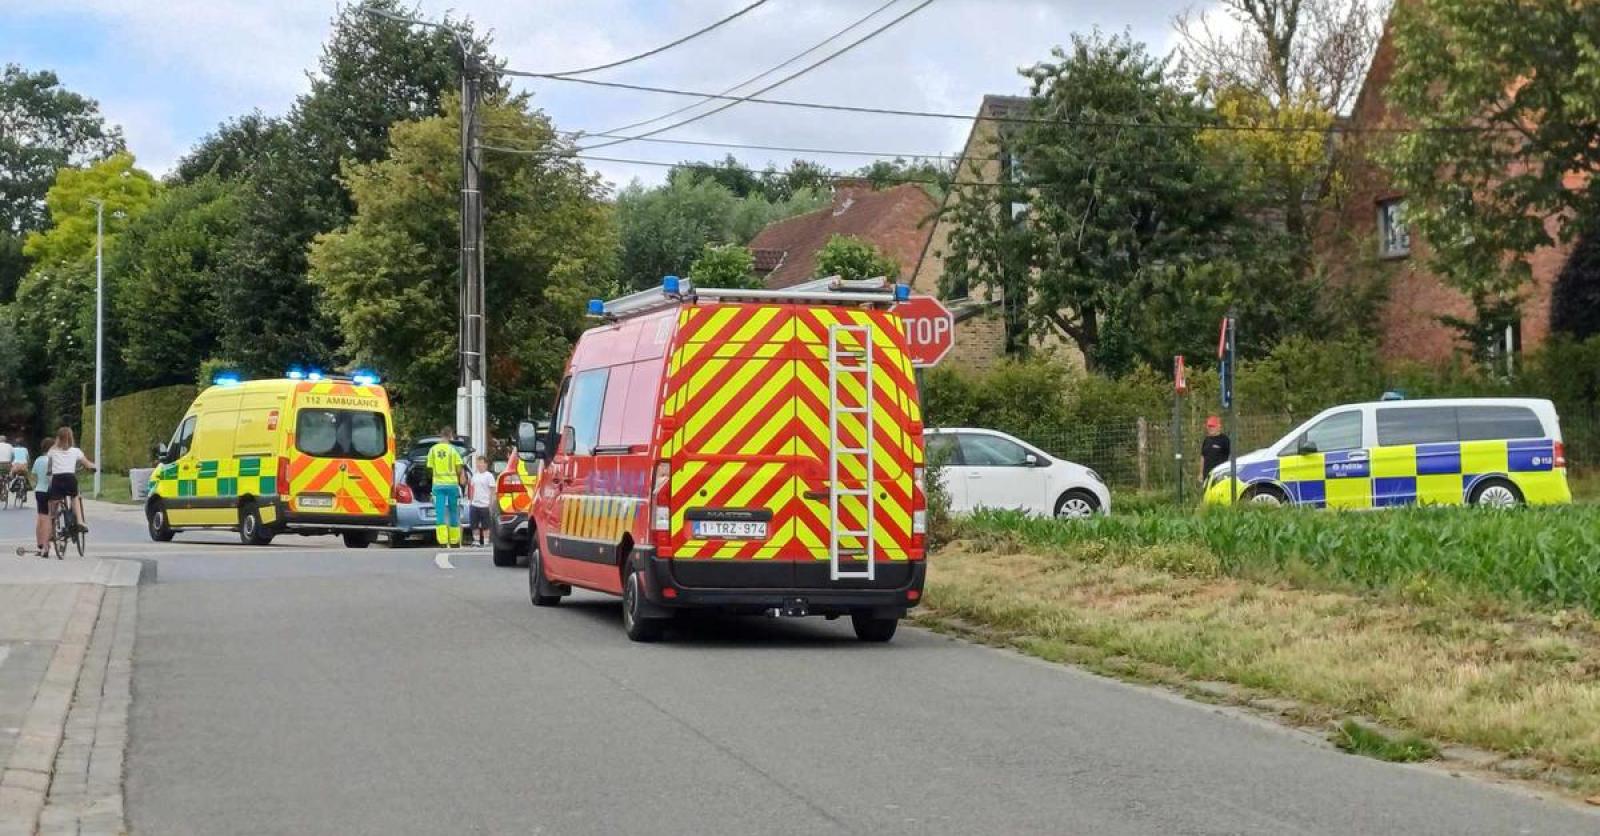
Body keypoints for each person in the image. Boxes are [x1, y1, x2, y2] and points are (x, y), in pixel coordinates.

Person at [46, 427, 97, 535]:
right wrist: (93, 467)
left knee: (54, 502)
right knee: (75, 497)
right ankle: (80, 521)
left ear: (58, 438)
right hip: (70, 478)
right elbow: (87, 463)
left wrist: (57, 443)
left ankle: (52, 527)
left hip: (57, 479)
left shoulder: (53, 451)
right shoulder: (76, 451)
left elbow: (49, 459)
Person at [426, 428, 467, 548]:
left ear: (440, 435)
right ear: (450, 436)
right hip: (452, 485)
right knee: (454, 512)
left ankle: (443, 541)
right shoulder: (453, 450)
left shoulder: (433, 450)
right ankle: (454, 541)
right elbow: (459, 468)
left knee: (440, 513)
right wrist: (461, 477)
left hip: (438, 485)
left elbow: (430, 468)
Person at [31, 438, 53, 557]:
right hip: (49, 491)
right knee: (48, 519)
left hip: (39, 490)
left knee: (40, 518)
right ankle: (46, 546)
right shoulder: (52, 460)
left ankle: (39, 545)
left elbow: (33, 476)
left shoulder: (38, 460)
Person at [469, 455, 495, 547]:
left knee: (486, 525)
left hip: (485, 504)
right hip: (475, 504)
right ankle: (476, 540)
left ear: (486, 464)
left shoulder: (489, 476)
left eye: (481, 463)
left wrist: (490, 503)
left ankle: (486, 541)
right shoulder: (474, 476)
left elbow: (492, 490)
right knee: (474, 524)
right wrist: (471, 501)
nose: (479, 465)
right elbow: (471, 489)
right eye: (478, 463)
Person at [1199, 415, 1231, 485]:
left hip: (1219, 476)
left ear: (1219, 427)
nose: (1210, 428)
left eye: (1213, 426)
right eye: (1209, 426)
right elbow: (1202, 457)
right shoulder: (1206, 440)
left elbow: (1230, 457)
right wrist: (1201, 473)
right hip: (1207, 476)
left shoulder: (1224, 440)